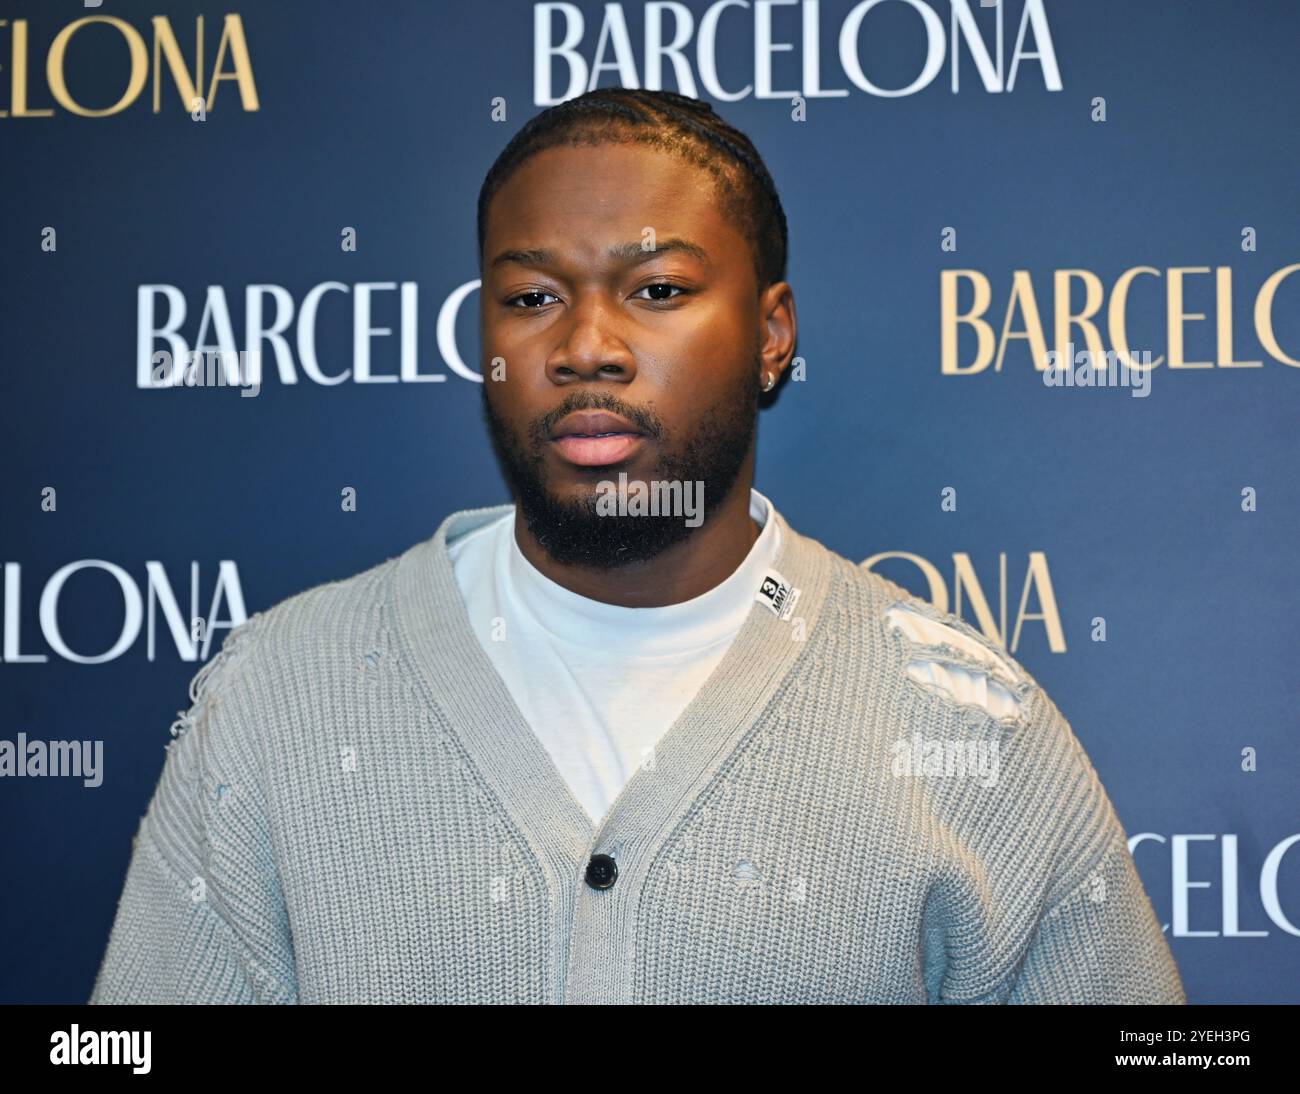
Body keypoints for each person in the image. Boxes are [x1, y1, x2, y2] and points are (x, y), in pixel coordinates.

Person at [89, 88, 1185, 1004]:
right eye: (530, 297)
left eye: (657, 291)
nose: (586, 346)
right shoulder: (283, 692)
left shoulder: (965, 727)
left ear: (770, 333)